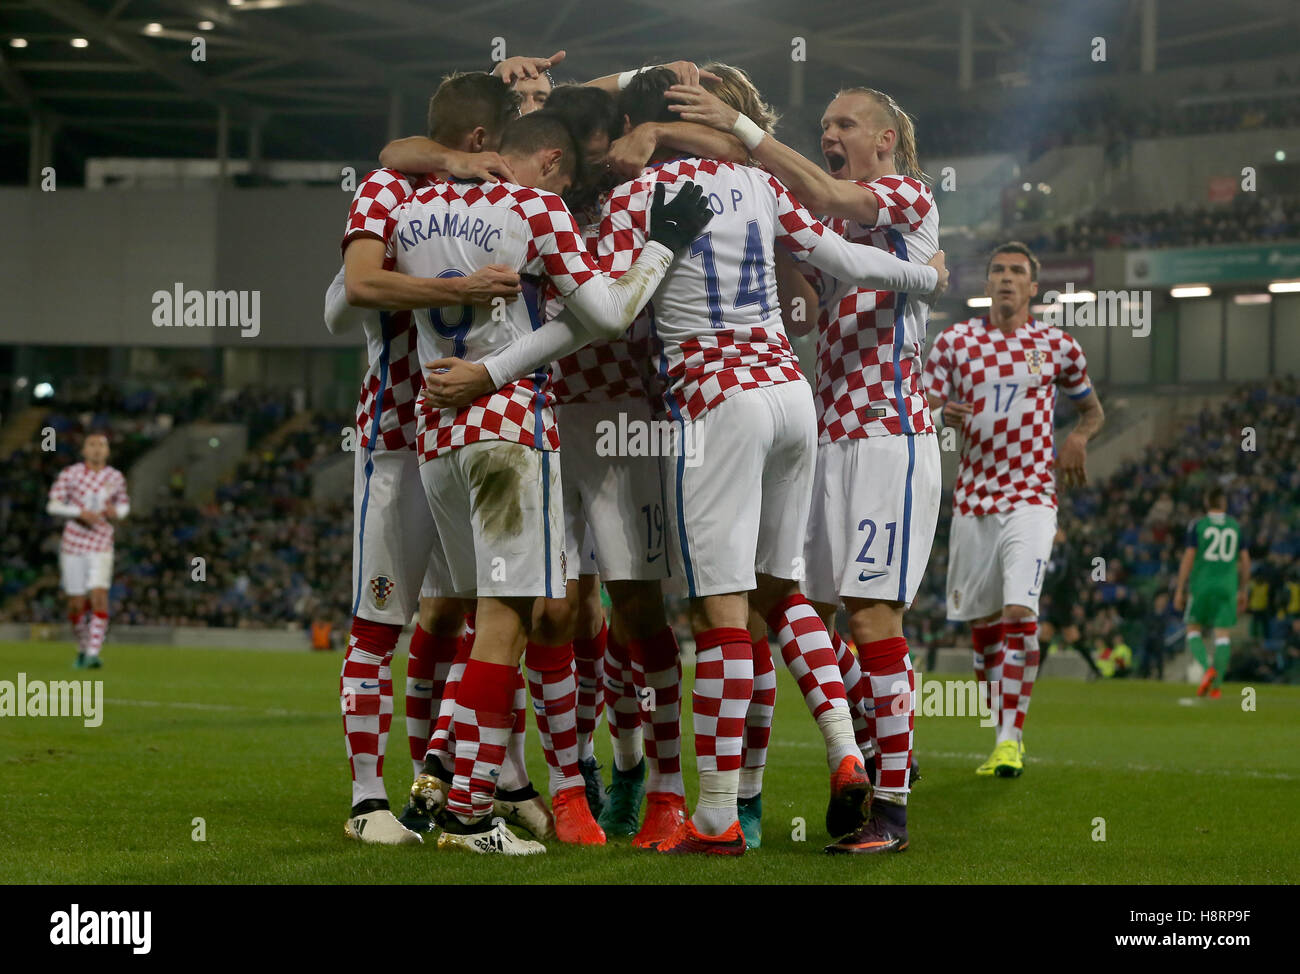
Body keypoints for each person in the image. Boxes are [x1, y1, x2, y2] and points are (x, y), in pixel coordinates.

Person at [436, 68, 947, 854]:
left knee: (721, 613)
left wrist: (494, 370)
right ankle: (796, 773)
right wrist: (927, 275)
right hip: (793, 398)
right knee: (779, 597)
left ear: (640, 128)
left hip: (710, 403)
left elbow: (601, 315)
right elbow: (845, 258)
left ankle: (709, 811)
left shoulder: (633, 199)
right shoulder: (757, 183)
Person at [389, 109, 714, 854]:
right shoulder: (539, 209)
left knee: (607, 612)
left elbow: (353, 290)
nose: (574, 182)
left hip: (476, 424)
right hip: (516, 423)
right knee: (523, 618)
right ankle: (506, 800)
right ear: (547, 157)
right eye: (568, 167)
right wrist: (662, 247)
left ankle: (634, 784)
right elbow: (602, 313)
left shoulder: (411, 206)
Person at [666, 79, 943, 854]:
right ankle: (875, 759)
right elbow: (807, 311)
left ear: (884, 140)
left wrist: (746, 133)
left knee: (871, 616)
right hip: (827, 432)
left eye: (845, 123)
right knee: (787, 599)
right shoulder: (824, 215)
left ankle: (890, 811)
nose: (830, 133)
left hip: (889, 434)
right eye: (823, 124)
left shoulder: (905, 197)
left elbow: (828, 192)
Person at [326, 70, 528, 847]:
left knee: (487, 616)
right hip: (398, 440)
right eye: (499, 141)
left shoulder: (495, 199)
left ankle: (455, 785)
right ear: (479, 142)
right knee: (381, 620)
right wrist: (459, 286)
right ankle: (367, 801)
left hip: (476, 431)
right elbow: (358, 284)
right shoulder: (388, 187)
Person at [923, 241, 1105, 778]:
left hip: (1031, 497)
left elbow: (1091, 411)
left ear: (1033, 287)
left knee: (1020, 614)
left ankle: (1010, 738)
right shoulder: (954, 343)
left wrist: (1078, 438)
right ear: (986, 284)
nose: (1006, 279)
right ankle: (1000, 727)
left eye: (1016, 272)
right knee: (980, 627)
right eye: (997, 270)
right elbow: (924, 405)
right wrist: (942, 415)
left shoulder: (1058, 346)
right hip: (974, 501)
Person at [46, 431, 129, 669]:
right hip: (73, 543)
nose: (96, 449)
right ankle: (83, 648)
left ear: (107, 451)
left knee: (99, 596)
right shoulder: (70, 474)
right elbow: (53, 505)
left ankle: (93, 652)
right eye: (92, 445)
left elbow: (123, 504)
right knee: (75, 603)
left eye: (101, 445)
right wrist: (78, 512)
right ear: (84, 450)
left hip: (101, 542)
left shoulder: (114, 477)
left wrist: (118, 513)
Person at [1174, 486, 1249, 699]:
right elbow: (1245, 560)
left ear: (1207, 504)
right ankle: (1216, 687)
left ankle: (1208, 669)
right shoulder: (1236, 526)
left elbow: (1189, 557)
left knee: (1193, 629)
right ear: (1224, 504)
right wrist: (1243, 589)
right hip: (1228, 586)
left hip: (1202, 585)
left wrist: (1180, 589)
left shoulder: (1198, 525)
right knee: (1222, 635)